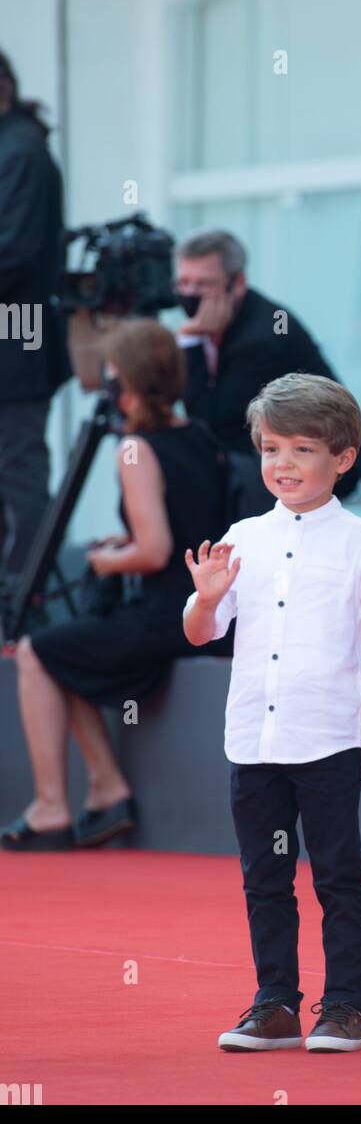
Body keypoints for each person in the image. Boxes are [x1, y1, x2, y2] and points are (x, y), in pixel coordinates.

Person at [182, 373, 361, 1053]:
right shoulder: (243, 536)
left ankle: (344, 1006)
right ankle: (274, 1002)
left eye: (302, 450)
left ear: (344, 457)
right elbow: (201, 631)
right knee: (264, 877)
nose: (282, 465)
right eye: (270, 449)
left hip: (328, 740)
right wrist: (204, 598)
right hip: (253, 740)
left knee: (338, 875)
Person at [0, 319, 231, 852]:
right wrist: (124, 540)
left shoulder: (133, 449)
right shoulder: (197, 434)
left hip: (167, 615)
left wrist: (106, 562)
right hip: (200, 608)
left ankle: (51, 806)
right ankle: (107, 791)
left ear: (126, 381)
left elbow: (153, 551)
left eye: (109, 373)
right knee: (68, 652)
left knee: (37, 650)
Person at [175, 229, 361, 516]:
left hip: (328, 490)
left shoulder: (262, 338)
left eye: (203, 284)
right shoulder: (234, 320)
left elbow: (210, 416)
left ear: (238, 283)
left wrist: (190, 340)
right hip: (285, 484)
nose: (190, 294)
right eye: (183, 283)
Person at [0, 50, 72, 599]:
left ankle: (24, 598)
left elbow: (15, 256)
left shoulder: (21, 153)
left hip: (16, 346)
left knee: (19, 472)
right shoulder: (19, 148)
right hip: (15, 341)